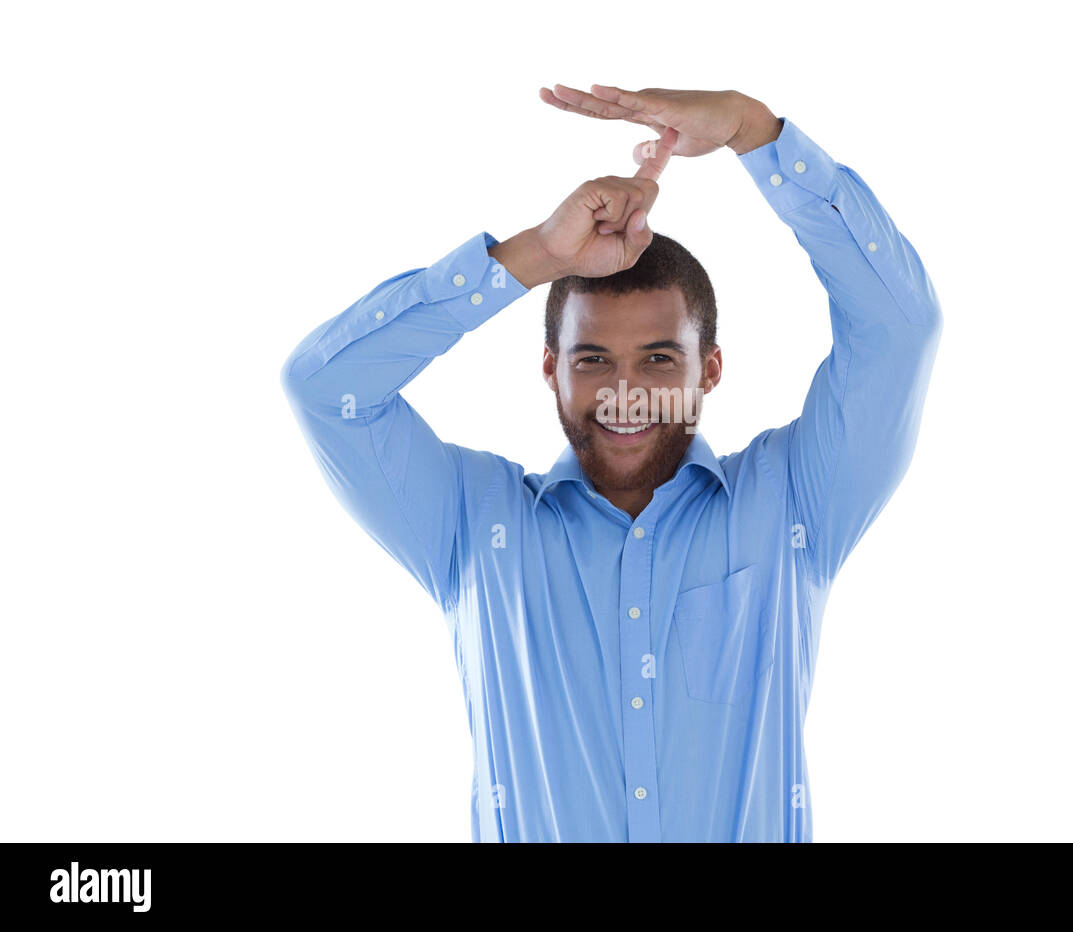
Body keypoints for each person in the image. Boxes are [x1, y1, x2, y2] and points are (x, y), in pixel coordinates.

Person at [279, 85, 943, 841]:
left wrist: (753, 130)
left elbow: (900, 327)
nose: (625, 394)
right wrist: (536, 255)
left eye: (659, 359)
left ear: (709, 369)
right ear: (550, 369)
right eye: (592, 359)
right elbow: (325, 389)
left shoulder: (795, 502)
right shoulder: (471, 525)